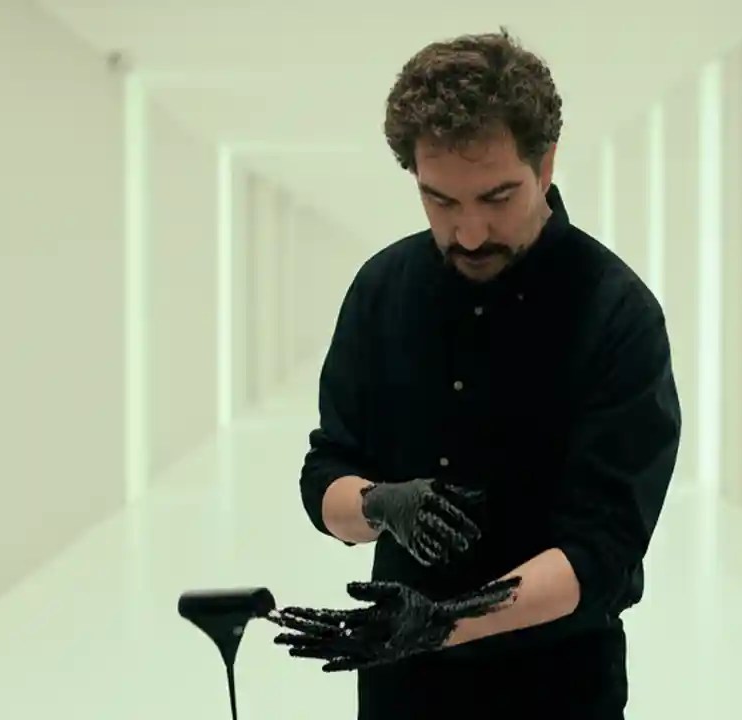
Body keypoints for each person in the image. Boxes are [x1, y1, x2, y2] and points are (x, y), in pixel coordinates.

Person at [272, 27, 682, 720]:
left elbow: (600, 552)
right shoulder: (381, 289)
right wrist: (380, 503)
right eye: (441, 201)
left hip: (560, 688)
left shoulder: (618, 314)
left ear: (545, 163)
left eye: (497, 198)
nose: (468, 233)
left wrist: (444, 620)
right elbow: (325, 481)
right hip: (402, 685)